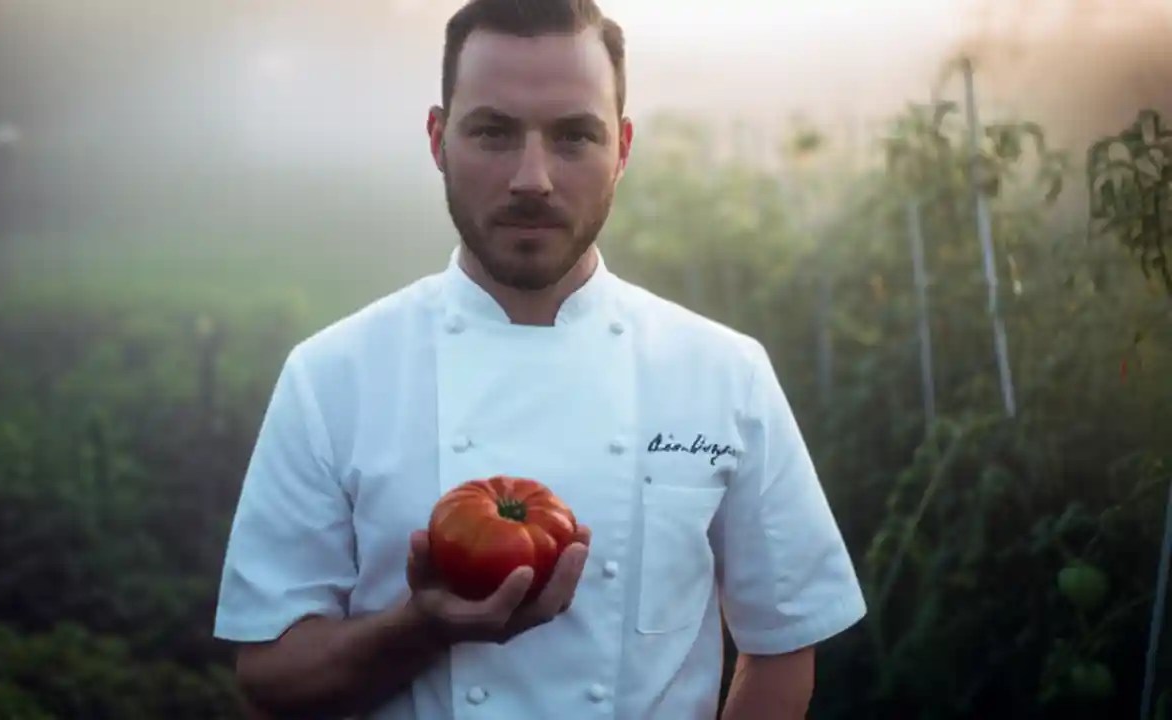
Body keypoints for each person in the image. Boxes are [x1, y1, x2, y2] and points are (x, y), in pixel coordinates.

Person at [213, 1, 867, 718]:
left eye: (573, 136)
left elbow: (781, 650)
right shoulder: (331, 378)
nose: (532, 178)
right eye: (493, 132)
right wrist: (421, 629)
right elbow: (270, 675)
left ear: (622, 148)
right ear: (437, 139)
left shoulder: (725, 375)